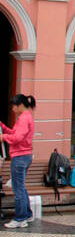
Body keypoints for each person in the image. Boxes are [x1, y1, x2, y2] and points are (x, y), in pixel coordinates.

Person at [1, 94, 35, 228]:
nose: (12, 109)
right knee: (20, 186)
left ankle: (20, 218)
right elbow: (15, 134)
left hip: (20, 156)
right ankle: (27, 213)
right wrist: (4, 128)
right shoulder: (26, 117)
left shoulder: (24, 118)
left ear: (20, 105)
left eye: (14, 106)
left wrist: (3, 137)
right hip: (24, 156)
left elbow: (17, 138)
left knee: (18, 188)